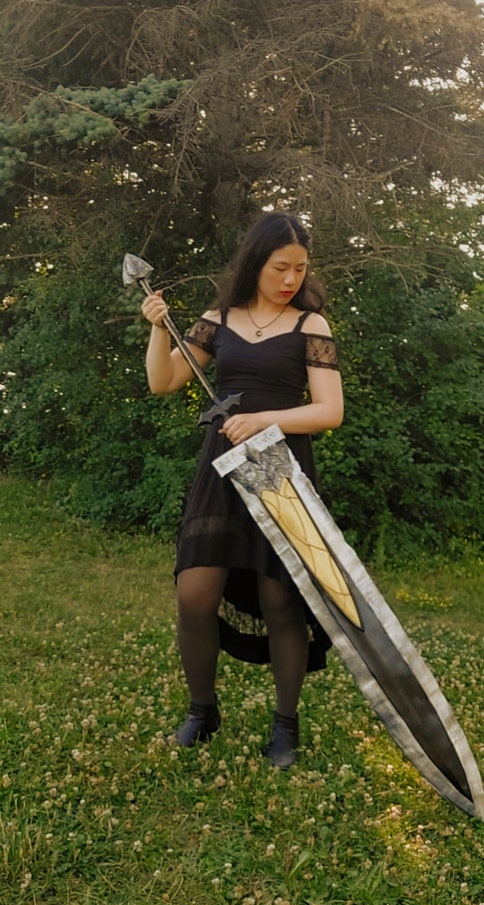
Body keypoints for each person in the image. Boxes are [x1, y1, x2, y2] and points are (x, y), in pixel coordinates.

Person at [142, 211, 343, 768]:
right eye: (281, 267)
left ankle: (285, 727)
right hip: (222, 468)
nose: (291, 279)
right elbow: (164, 381)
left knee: (281, 600)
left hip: (281, 469)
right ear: (256, 262)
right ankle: (202, 712)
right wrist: (159, 328)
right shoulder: (219, 319)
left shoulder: (311, 326)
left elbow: (330, 410)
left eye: (300, 268)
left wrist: (264, 420)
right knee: (194, 594)